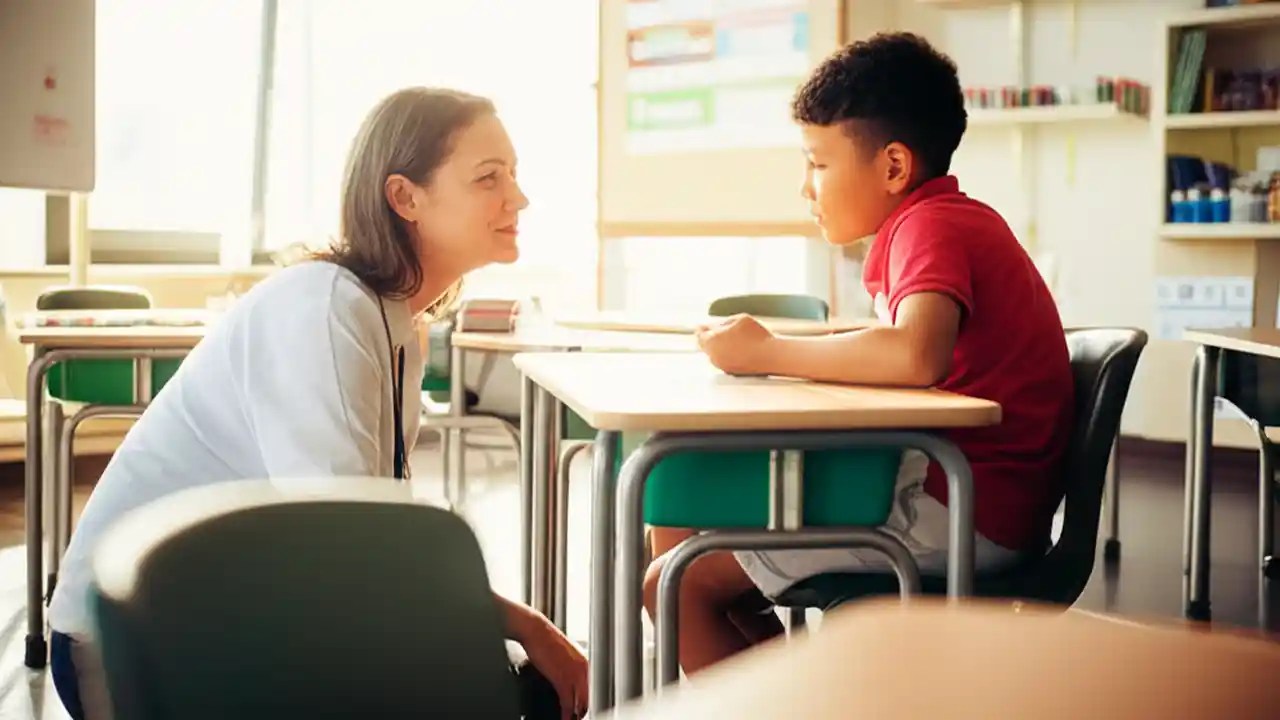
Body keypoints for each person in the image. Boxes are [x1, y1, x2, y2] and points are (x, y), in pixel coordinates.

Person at [48, 87, 587, 719]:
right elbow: (345, 549)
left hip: (228, 622)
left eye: (514, 175)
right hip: (134, 651)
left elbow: (369, 548)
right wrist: (527, 626)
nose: (517, 197)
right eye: (488, 177)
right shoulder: (327, 308)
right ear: (404, 197)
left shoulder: (392, 319)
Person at [641, 32, 1075, 674]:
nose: (806, 188)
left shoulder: (929, 226)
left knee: (670, 582)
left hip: (960, 514)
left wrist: (770, 349)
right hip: (956, 494)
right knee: (682, 513)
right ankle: (794, 693)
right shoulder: (943, 221)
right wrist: (778, 346)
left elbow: (915, 355)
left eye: (817, 163)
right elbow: (902, 348)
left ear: (894, 167)